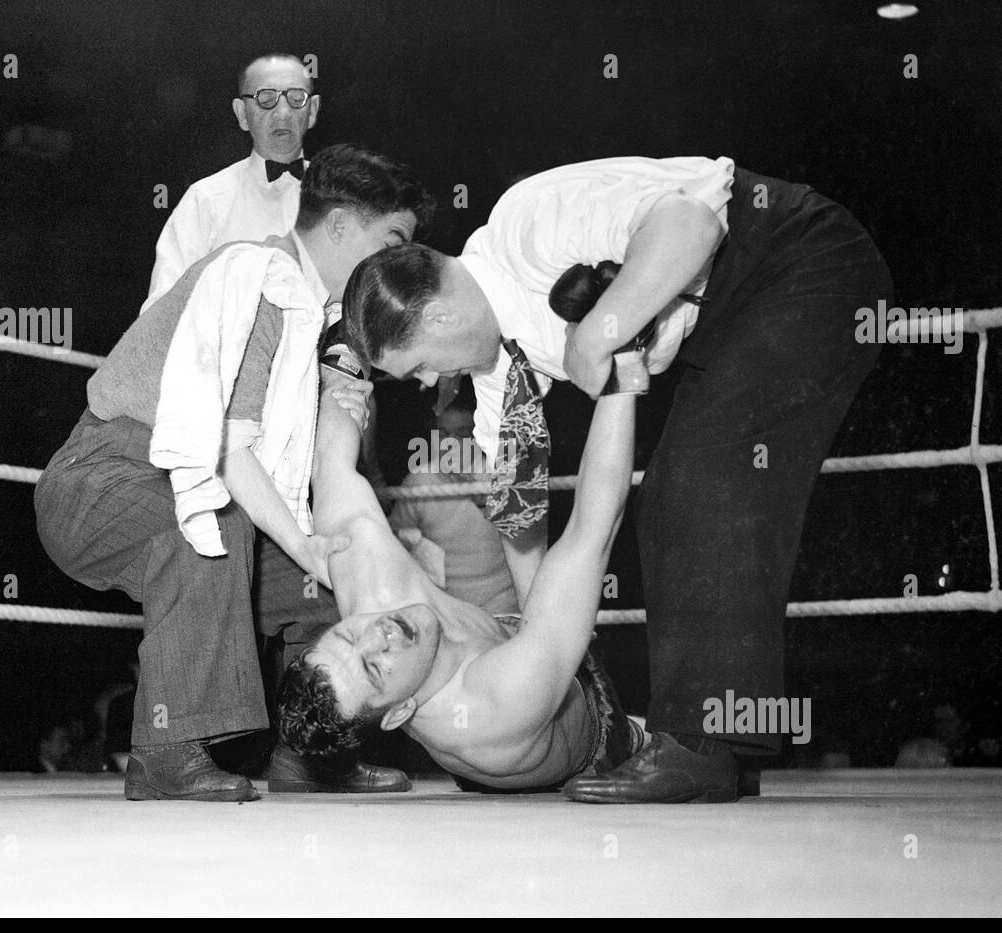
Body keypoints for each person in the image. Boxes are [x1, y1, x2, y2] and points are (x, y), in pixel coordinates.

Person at [341, 156, 891, 803]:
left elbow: (689, 224)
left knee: (701, 482)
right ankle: (725, 742)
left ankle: (701, 747)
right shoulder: (499, 378)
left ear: (435, 319)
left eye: (418, 367)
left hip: (793, 258)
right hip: (728, 320)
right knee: (667, 501)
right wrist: (550, 638)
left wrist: (598, 333)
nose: (433, 382)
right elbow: (518, 516)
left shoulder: (525, 223)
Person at [34, 144, 433, 801]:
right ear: (338, 228)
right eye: (391, 240)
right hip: (101, 475)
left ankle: (311, 752)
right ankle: (165, 751)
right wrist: (302, 540)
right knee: (213, 519)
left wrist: (347, 420)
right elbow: (223, 453)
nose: (399, 265)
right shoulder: (256, 277)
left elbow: (319, 484)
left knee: (334, 578)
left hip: (205, 484)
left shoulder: (316, 322)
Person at [275, 323, 650, 795]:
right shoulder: (499, 703)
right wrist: (624, 356)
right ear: (398, 713)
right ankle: (638, 733)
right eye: (373, 668)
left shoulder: (368, 587)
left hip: (515, 632)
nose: (378, 635)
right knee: (647, 731)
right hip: (582, 730)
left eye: (348, 635)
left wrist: (349, 344)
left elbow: (331, 465)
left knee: (517, 511)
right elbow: (591, 531)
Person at [142, 52, 320, 312]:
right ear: (242, 114)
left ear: (312, 110)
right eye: (266, 98)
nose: (283, 113)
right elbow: (160, 312)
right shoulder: (205, 200)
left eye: (296, 99)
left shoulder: (342, 197)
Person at [386, 385, 519, 615]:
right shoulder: (419, 481)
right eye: (444, 433)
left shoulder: (499, 474)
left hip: (503, 599)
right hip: (445, 605)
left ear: (477, 435)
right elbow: (396, 540)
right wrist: (412, 540)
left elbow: (528, 535)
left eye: (462, 433)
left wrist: (486, 501)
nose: (451, 442)